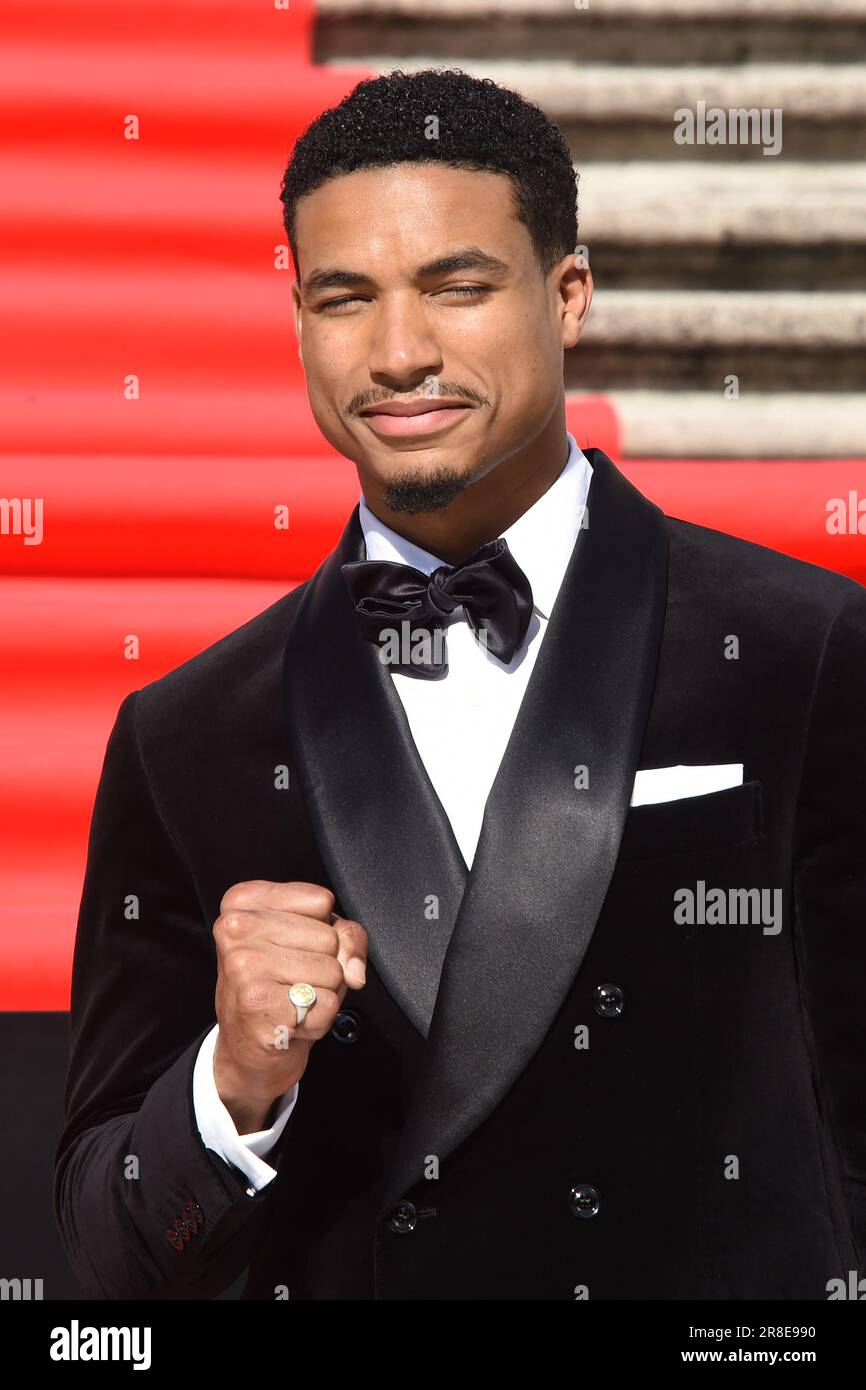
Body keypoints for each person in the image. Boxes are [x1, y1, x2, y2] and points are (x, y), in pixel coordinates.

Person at [54, 67, 866, 1300]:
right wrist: (233, 1085)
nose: (398, 354)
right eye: (344, 298)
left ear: (568, 293)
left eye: (456, 285)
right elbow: (107, 1258)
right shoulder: (183, 735)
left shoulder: (804, 648)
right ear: (296, 326)